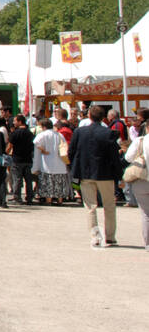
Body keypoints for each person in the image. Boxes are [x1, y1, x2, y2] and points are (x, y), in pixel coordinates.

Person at [68, 104, 121, 247]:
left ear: (89, 116)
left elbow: (71, 151)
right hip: (105, 173)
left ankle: (95, 236)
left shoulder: (79, 132)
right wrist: (118, 174)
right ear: (103, 118)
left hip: (85, 173)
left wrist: (76, 167)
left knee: (90, 206)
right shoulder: (108, 133)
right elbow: (114, 155)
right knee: (109, 205)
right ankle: (110, 236)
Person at [122, 127, 149, 250]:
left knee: (145, 213)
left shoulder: (140, 140)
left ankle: (148, 243)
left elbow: (128, 158)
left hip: (142, 179)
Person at [34, 117, 70, 206]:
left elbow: (36, 142)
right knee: (59, 182)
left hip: (47, 163)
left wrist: (43, 150)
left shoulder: (43, 134)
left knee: (48, 182)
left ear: (43, 126)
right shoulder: (59, 135)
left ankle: (48, 200)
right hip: (60, 163)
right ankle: (60, 200)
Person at [7, 114, 36, 204]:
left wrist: (5, 153)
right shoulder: (30, 133)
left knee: (17, 179)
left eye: (15, 121)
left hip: (17, 159)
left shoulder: (15, 133)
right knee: (28, 180)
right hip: (28, 159)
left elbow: (10, 146)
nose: (14, 122)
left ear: (20, 122)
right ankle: (29, 198)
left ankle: (17, 197)